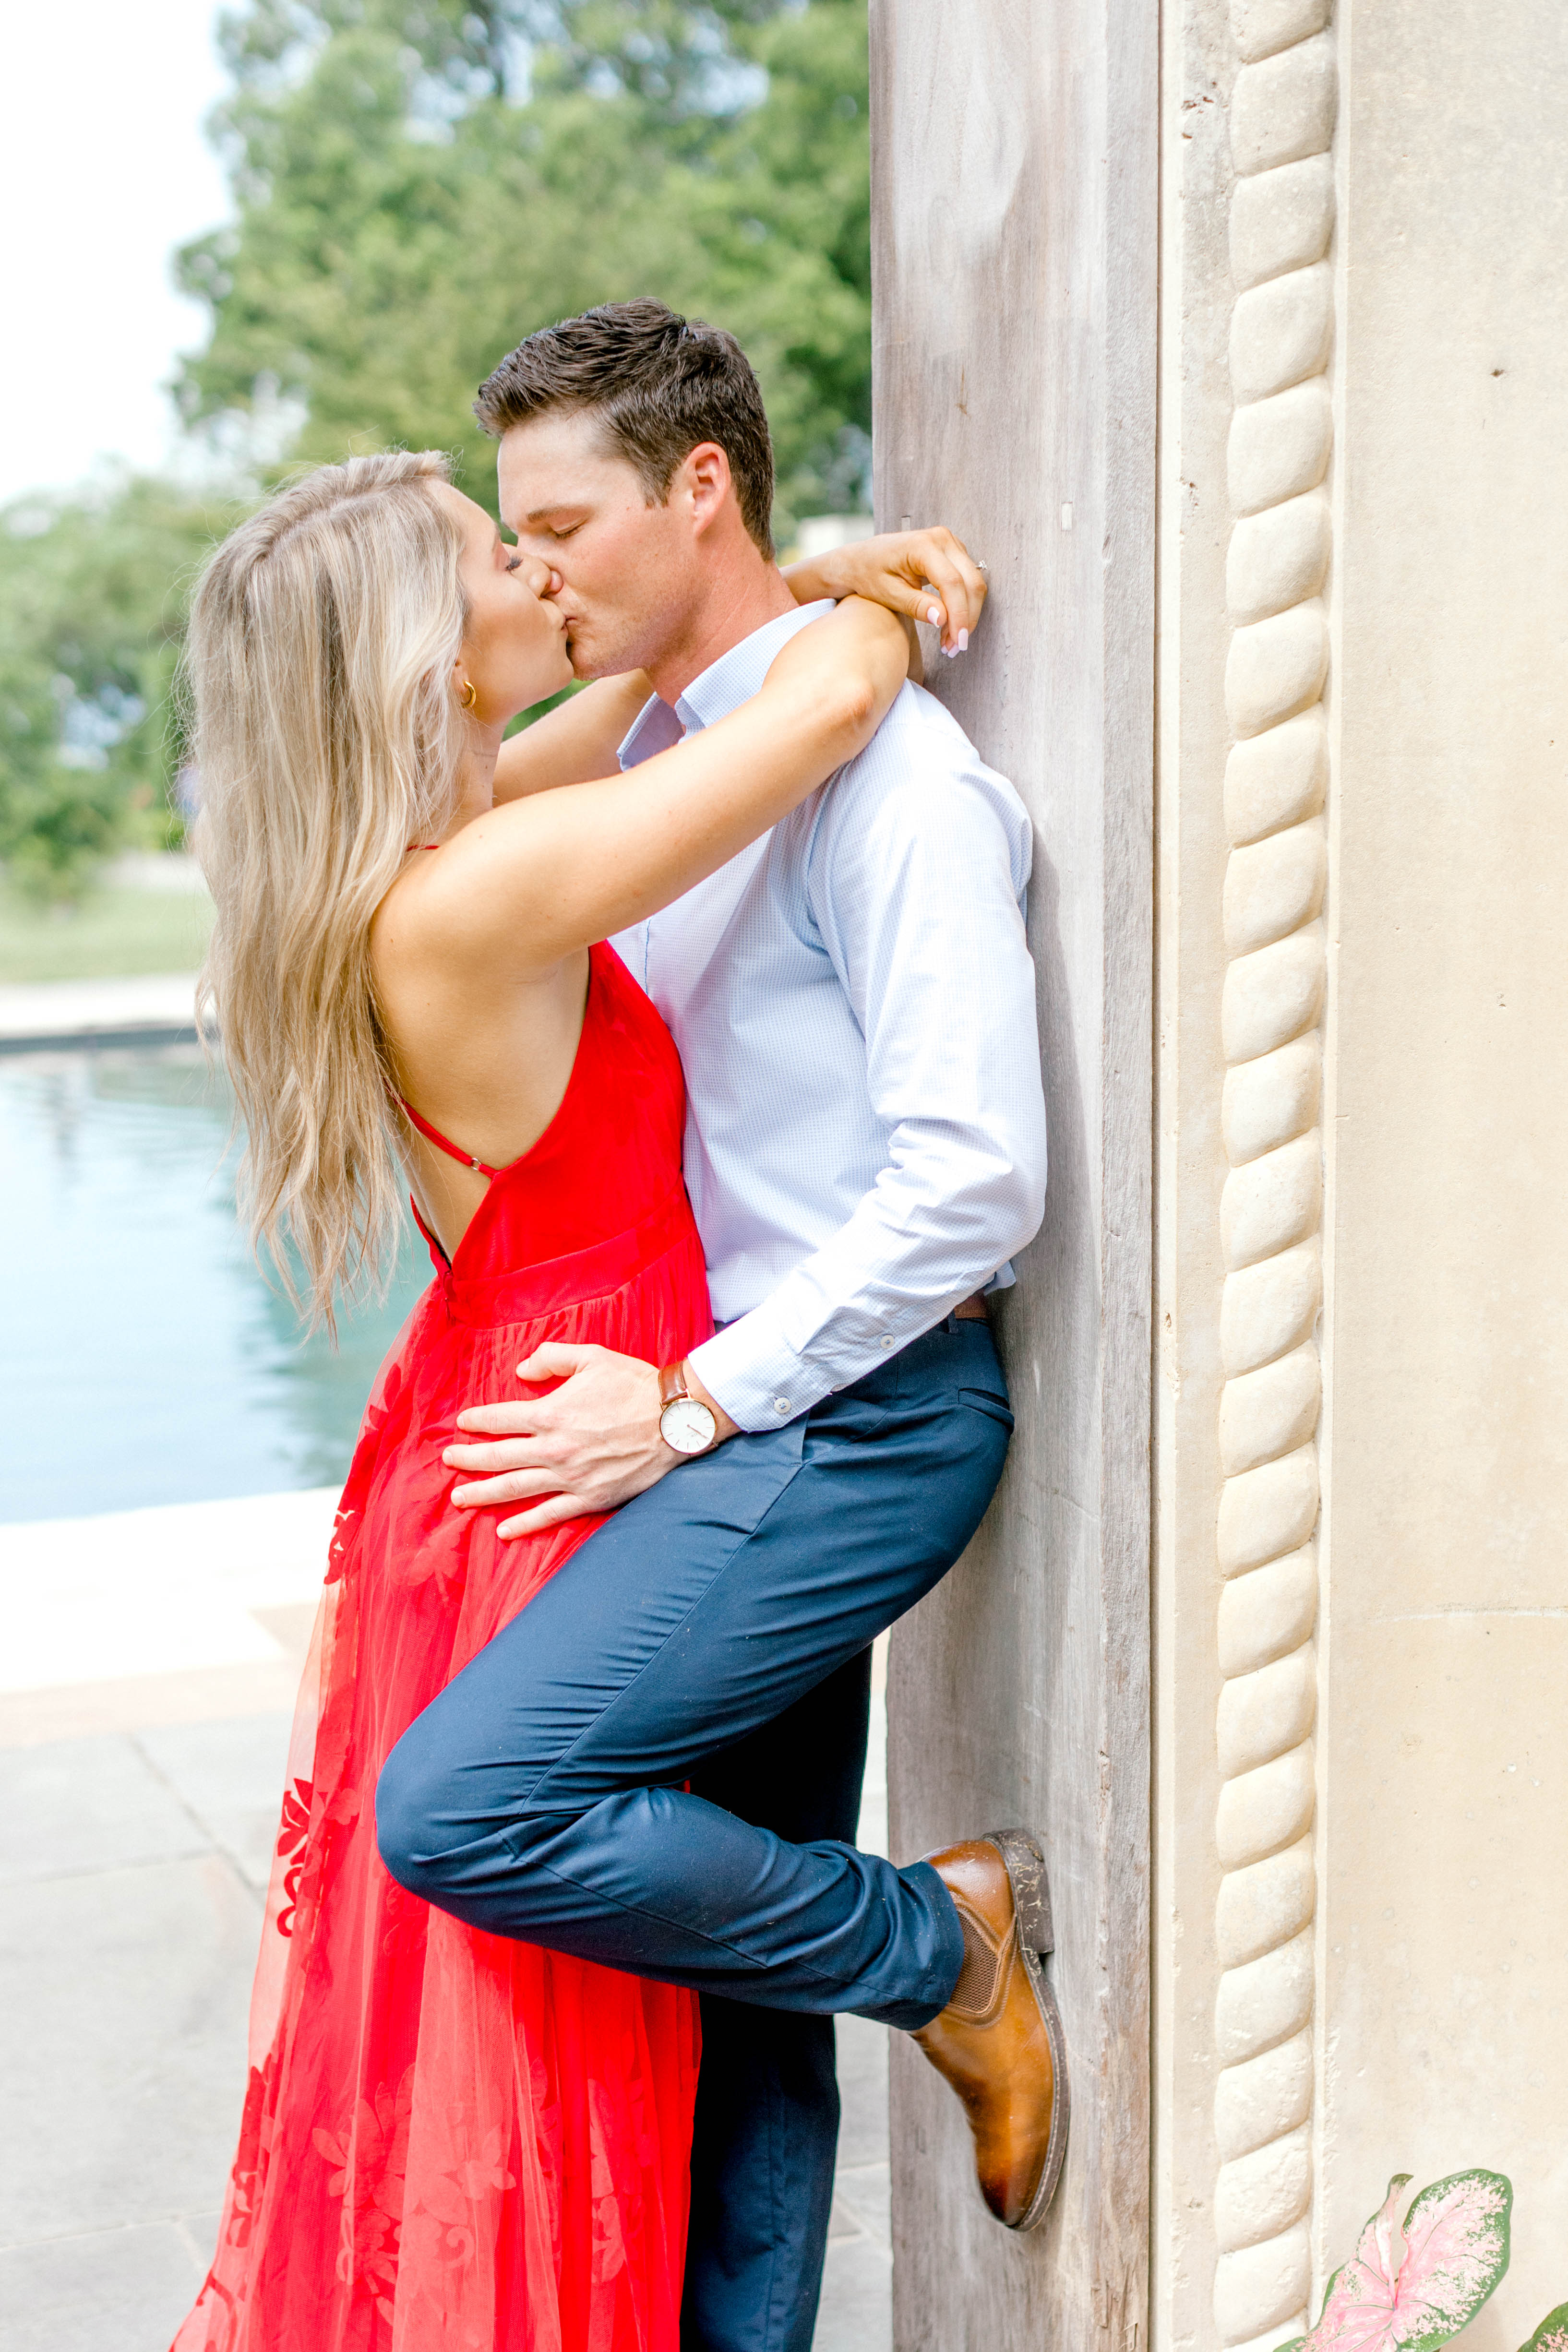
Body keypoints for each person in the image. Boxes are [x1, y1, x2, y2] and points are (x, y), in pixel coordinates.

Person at [170, 444, 954, 2350]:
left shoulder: (452, 839)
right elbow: (824, 706)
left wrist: (773, 573)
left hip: (522, 1435)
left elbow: (649, 687)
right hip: (585, 1468)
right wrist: (862, 602)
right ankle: (942, 1944)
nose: (534, 562)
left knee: (670, 1996)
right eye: (489, 552)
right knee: (591, 2053)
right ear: (424, 647)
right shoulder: (482, 888)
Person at [372, 302, 1067, 2352]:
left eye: (565, 521)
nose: (541, 570)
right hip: (725, 1418)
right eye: (518, 534)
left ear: (698, 488)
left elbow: (970, 1186)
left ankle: (938, 1941)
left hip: (841, 1426)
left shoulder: (898, 789)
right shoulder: (652, 764)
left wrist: (689, 1405)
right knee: (717, 1965)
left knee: (469, 1809)